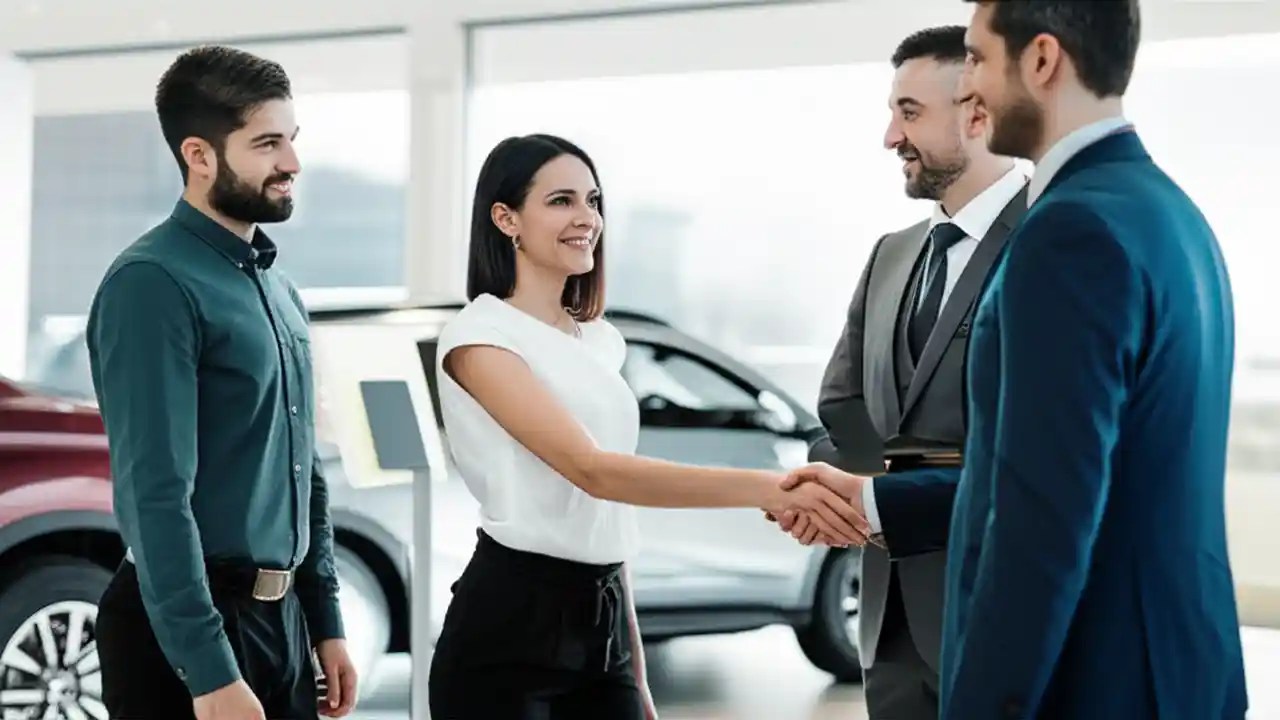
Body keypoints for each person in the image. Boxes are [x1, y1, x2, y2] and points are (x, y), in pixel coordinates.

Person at [800, 1, 1248, 717]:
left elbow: (1040, 523)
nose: (971, 88)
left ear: (1040, 61)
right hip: (1176, 672)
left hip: (1092, 677)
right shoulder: (1169, 213)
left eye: (977, 58)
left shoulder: (1067, 232)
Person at [425, 133, 869, 719]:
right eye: (561, 201)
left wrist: (634, 672)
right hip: (509, 628)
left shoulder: (600, 340)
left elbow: (608, 523)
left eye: (593, 200)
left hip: (604, 616)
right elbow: (595, 472)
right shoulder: (479, 337)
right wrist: (769, 487)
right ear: (506, 218)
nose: (586, 218)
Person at [87, 46, 358, 720]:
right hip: (184, 631)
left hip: (282, 622)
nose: (292, 162)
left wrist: (324, 621)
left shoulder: (278, 288)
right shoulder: (151, 283)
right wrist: (207, 672)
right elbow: (154, 494)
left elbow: (304, 473)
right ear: (200, 156)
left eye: (291, 140)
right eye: (267, 143)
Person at [775, 25, 1027, 719]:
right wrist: (840, 497)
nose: (891, 136)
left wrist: (878, 496)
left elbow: (1042, 452)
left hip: (1000, 613)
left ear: (976, 112)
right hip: (888, 623)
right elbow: (842, 408)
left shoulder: (1051, 241)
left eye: (909, 112)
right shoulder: (892, 254)